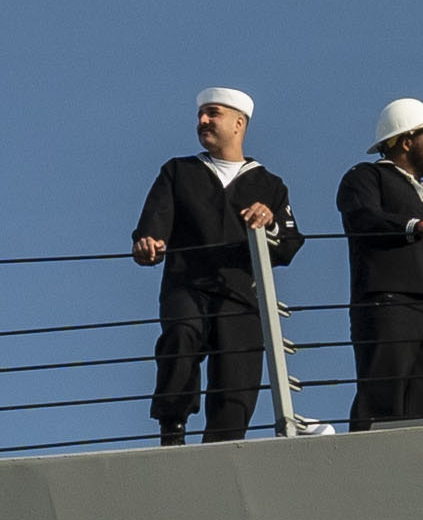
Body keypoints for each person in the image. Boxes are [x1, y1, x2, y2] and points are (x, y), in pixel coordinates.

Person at [127, 86, 301, 442]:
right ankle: (172, 428)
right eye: (200, 115)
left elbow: (289, 243)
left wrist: (268, 221)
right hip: (187, 287)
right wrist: (148, 243)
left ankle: (222, 449)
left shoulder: (269, 185)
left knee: (237, 381)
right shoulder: (178, 172)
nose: (202, 121)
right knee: (181, 338)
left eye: (212, 114)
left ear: (239, 123)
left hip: (241, 297)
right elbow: (153, 226)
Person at [333, 102, 423, 428]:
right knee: (382, 399)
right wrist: (415, 227)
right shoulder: (366, 176)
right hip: (388, 305)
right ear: (406, 141)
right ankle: (367, 466)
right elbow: (364, 218)